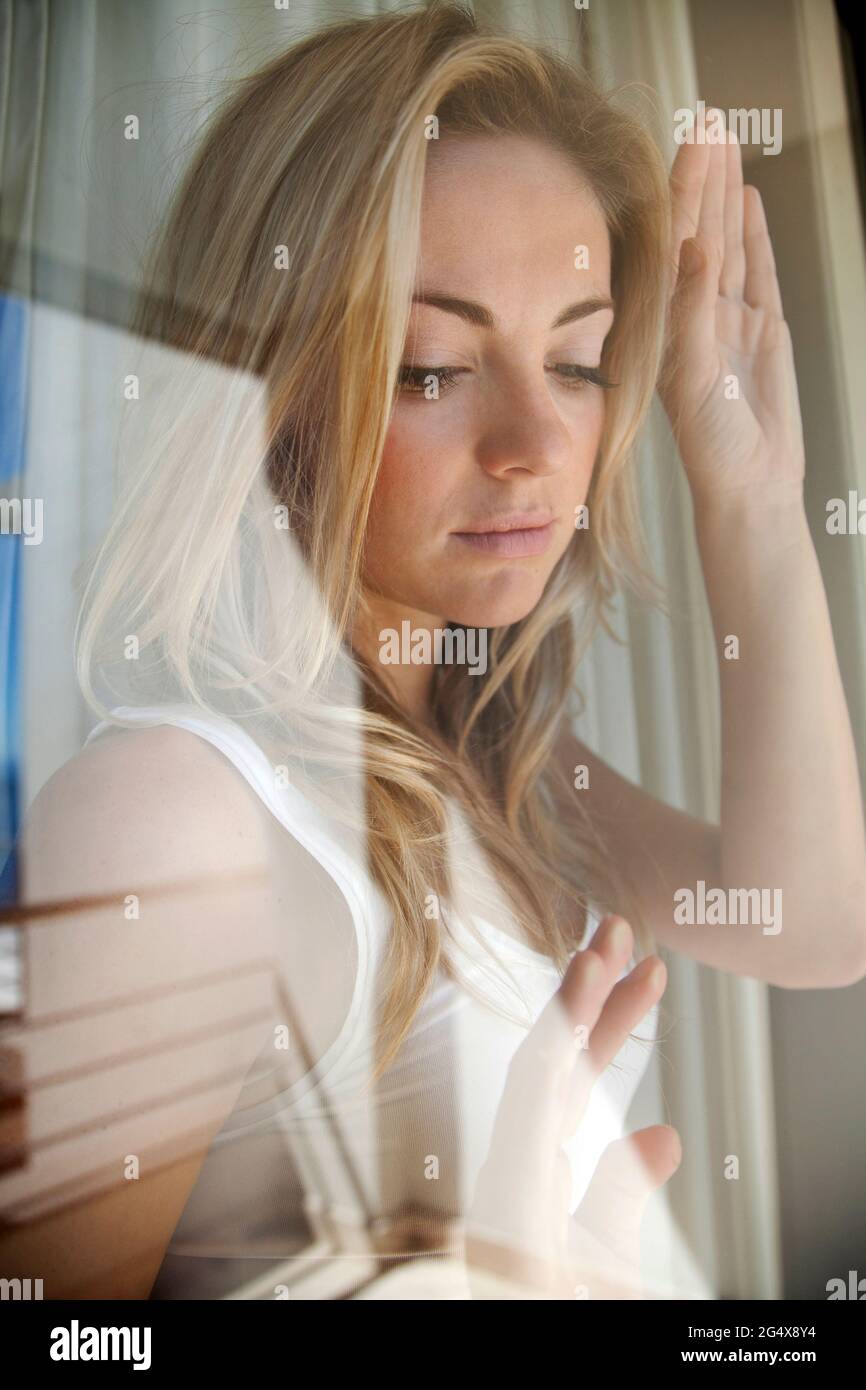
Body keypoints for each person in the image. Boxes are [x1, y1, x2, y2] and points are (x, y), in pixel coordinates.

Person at [7, 1, 865, 1300]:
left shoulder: (497, 766)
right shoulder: (178, 816)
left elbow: (808, 923)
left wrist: (746, 492)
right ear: (273, 388)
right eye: (429, 368)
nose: (532, 442)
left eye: (576, 361)